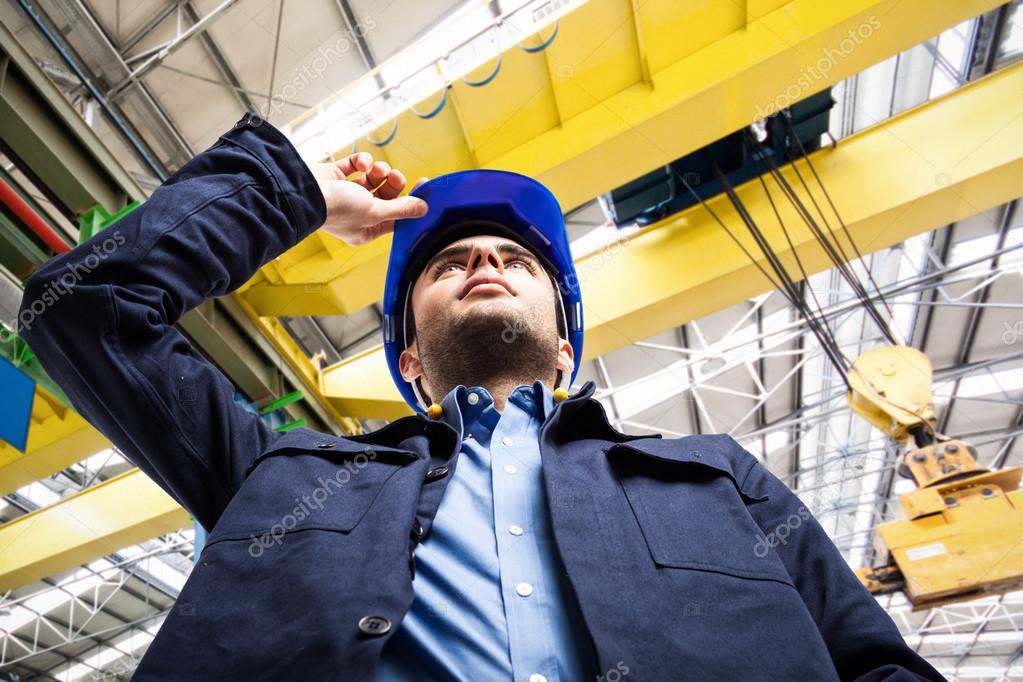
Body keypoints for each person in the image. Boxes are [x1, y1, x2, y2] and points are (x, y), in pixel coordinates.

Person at [18, 113, 946, 681]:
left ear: (566, 348)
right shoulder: (281, 474)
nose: (484, 261)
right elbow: (82, 310)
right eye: (450, 261)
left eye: (513, 259)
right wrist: (293, 195)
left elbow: (872, 665)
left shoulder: (712, 476)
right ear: (409, 357)